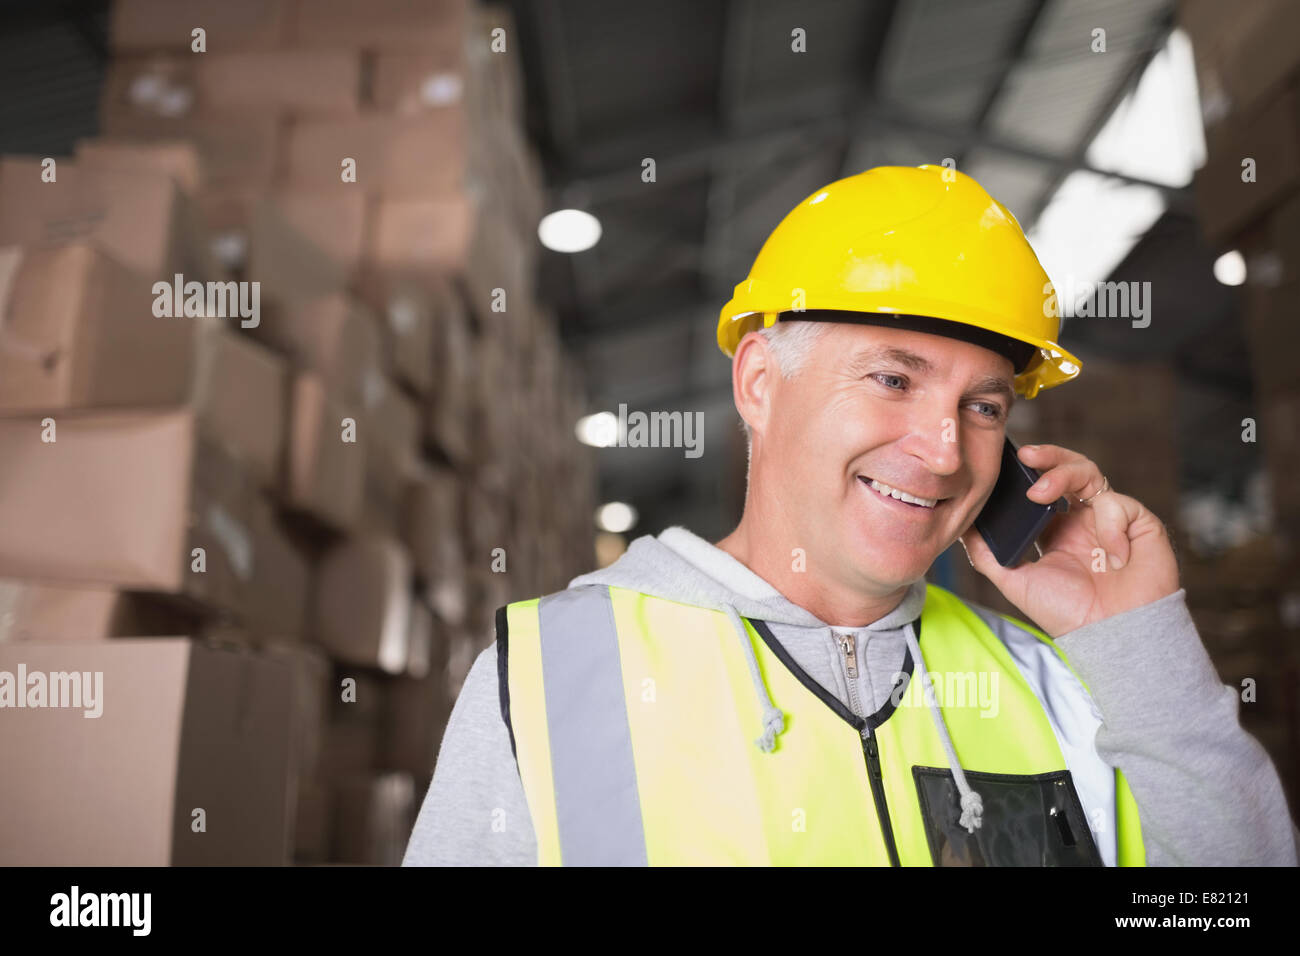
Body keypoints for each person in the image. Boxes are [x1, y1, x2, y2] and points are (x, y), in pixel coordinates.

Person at [404, 164, 1299, 866]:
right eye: (893, 379)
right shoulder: (553, 679)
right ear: (760, 382)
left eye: (983, 406)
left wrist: (1139, 650)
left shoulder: (1057, 687)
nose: (944, 450)